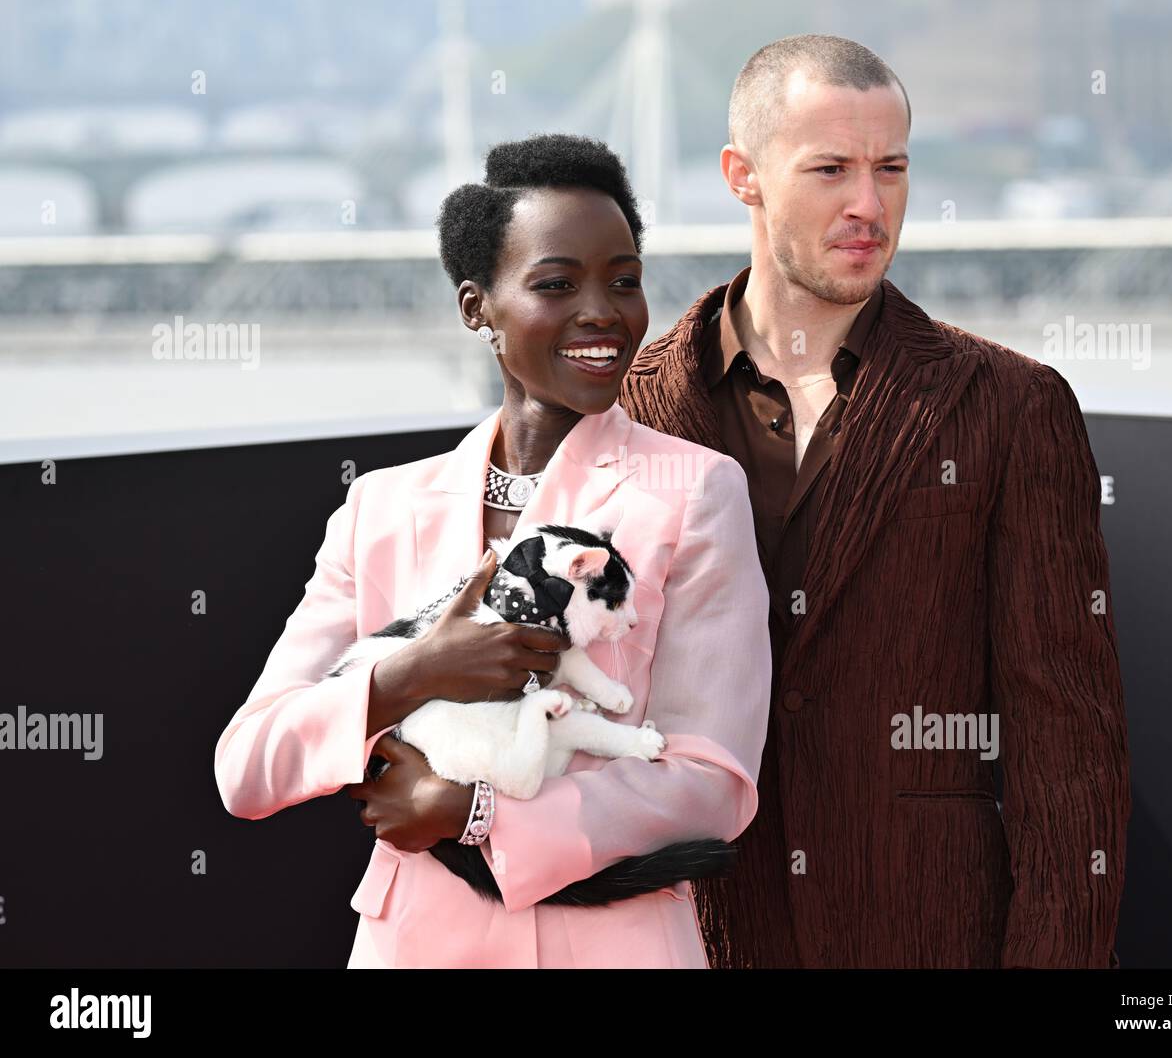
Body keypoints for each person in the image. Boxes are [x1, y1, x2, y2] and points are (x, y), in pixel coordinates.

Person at [619, 35, 1133, 968]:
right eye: (830, 170)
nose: (870, 204)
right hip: (691, 937)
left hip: (929, 936)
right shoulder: (630, 409)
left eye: (891, 168)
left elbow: (1070, 756)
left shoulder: (1012, 407)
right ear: (744, 175)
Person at [213, 133, 772, 968]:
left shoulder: (694, 491)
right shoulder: (381, 507)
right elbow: (248, 765)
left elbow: (712, 782)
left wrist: (474, 813)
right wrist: (415, 673)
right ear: (477, 308)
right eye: (556, 284)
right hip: (415, 945)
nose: (602, 313)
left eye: (625, 282)